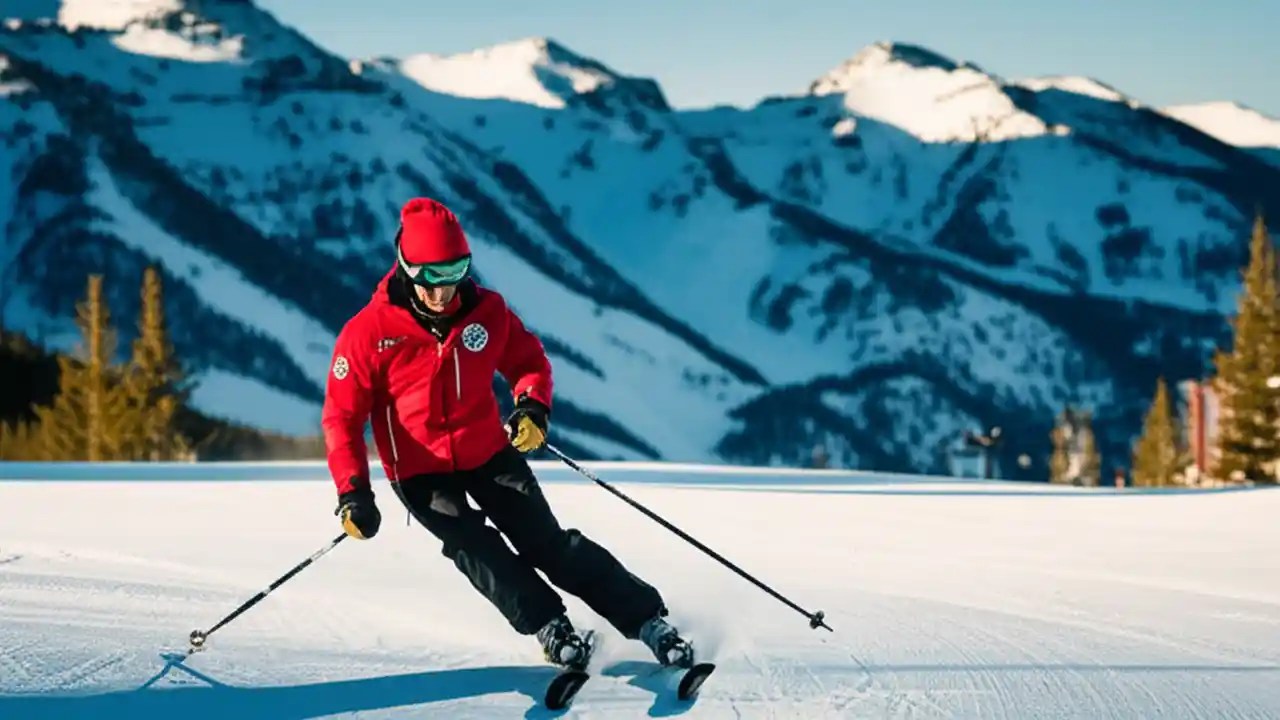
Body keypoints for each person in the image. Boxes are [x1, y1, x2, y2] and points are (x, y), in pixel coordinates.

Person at [320, 197, 694, 671]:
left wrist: (532, 406)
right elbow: (342, 419)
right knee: (476, 548)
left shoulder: (486, 312)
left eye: (455, 271)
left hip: (488, 452)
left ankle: (646, 620)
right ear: (405, 267)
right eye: (431, 277)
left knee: (549, 545)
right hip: (421, 474)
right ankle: (549, 625)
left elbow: (527, 362)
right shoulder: (368, 333)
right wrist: (353, 492)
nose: (443, 290)